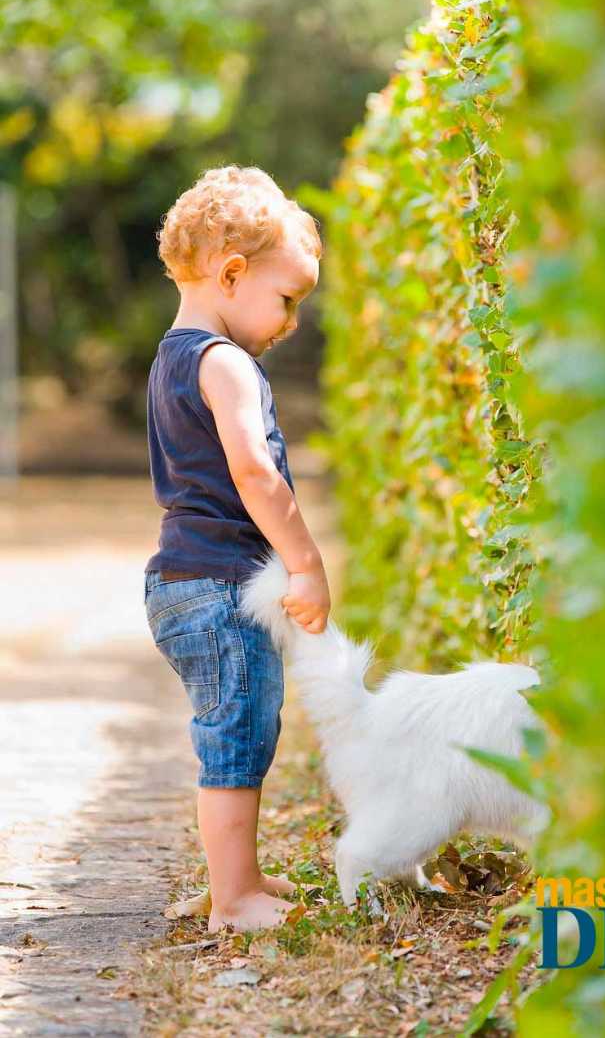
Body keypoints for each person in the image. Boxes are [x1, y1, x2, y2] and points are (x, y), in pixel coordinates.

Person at [142, 165, 331, 933]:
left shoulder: (171, 358)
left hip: (182, 581)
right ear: (230, 273)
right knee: (238, 734)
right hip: (217, 586)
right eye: (287, 300)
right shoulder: (226, 364)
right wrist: (307, 561)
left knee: (234, 726)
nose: (290, 321)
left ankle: (238, 877)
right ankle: (234, 901)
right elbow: (254, 470)